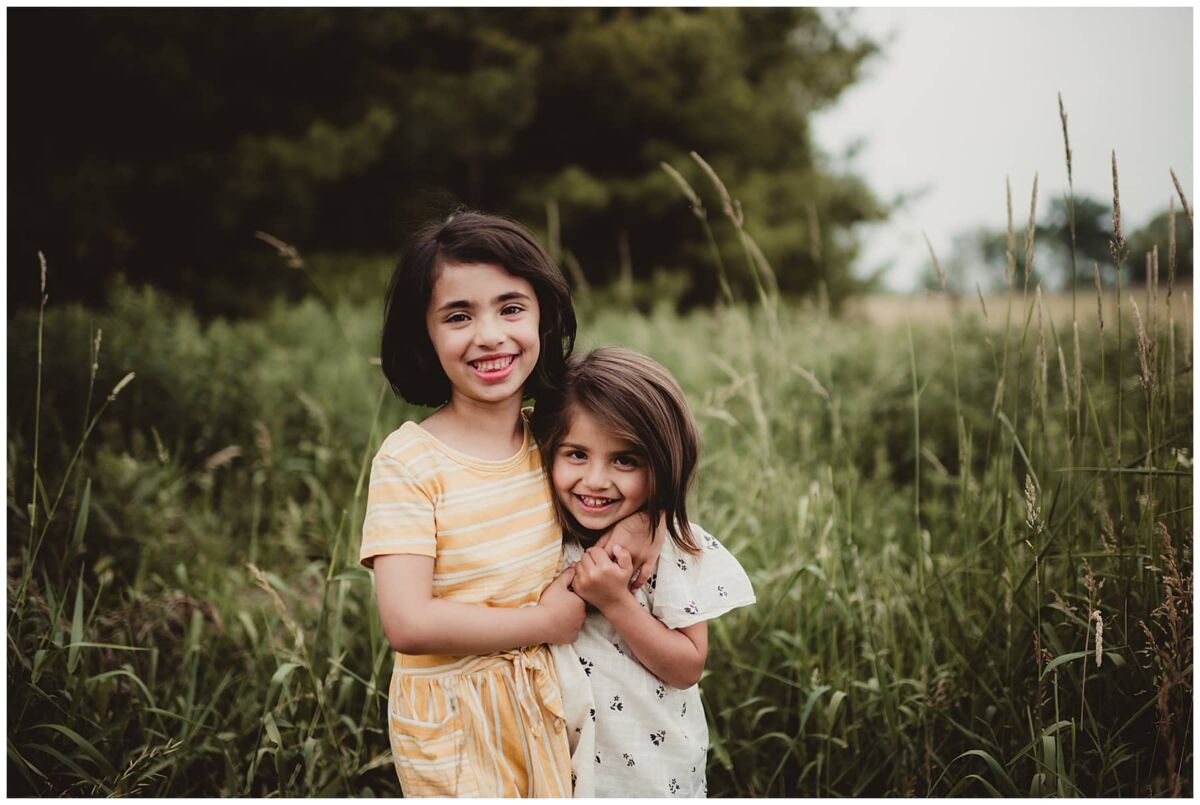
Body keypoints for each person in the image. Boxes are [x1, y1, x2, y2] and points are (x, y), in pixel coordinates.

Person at [361, 211, 598, 797]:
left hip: (544, 700)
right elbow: (408, 622)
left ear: (543, 318)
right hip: (455, 719)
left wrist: (638, 531)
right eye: (458, 316)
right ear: (424, 334)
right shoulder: (410, 461)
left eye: (511, 308)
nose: (489, 335)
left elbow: (623, 494)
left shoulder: (552, 440)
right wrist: (542, 623)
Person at [532, 347, 757, 798]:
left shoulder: (667, 547)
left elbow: (687, 666)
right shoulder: (541, 531)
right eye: (576, 454)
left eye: (625, 460)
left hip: (649, 777)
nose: (596, 480)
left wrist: (617, 602)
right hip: (558, 770)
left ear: (661, 466)